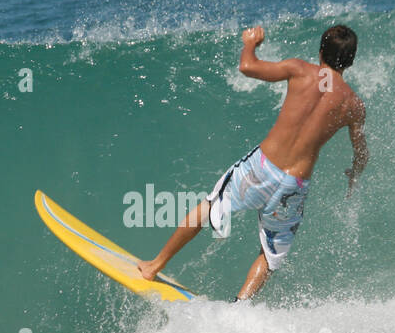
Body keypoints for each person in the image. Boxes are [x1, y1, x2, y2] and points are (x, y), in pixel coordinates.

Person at [137, 24, 367, 301]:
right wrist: (354, 172)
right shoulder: (354, 105)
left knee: (211, 206)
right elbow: (361, 153)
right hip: (294, 184)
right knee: (270, 253)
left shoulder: (300, 70)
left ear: (320, 51)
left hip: (262, 167)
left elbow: (247, 67)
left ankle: (154, 265)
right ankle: (239, 307)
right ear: (351, 61)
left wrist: (250, 42)